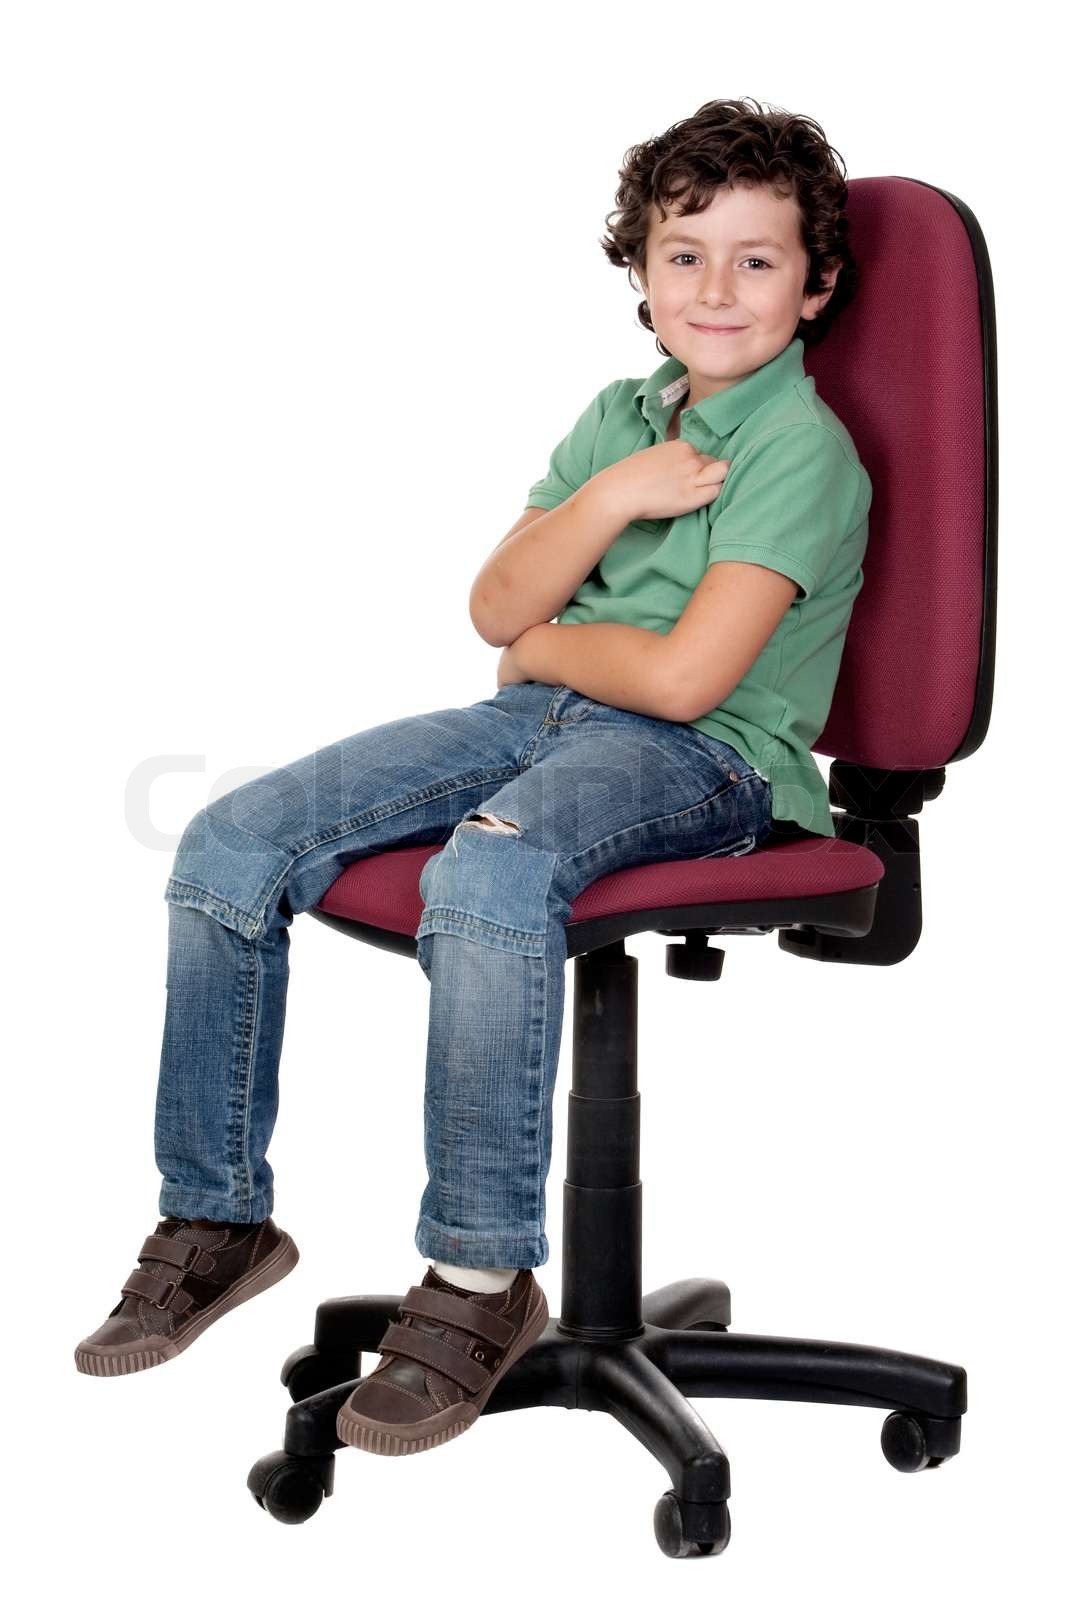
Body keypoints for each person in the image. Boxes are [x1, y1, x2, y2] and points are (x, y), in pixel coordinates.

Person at [75, 96, 872, 1457]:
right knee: (228, 840)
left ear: (818, 284)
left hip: (710, 763)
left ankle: (479, 1277)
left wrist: (554, 641)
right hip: (550, 716)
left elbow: (684, 686)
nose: (717, 289)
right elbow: (496, 608)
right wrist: (610, 506)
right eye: (685, 255)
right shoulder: (619, 421)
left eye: (757, 259)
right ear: (639, 272)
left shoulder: (802, 449)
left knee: (489, 868)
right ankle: (216, 1211)